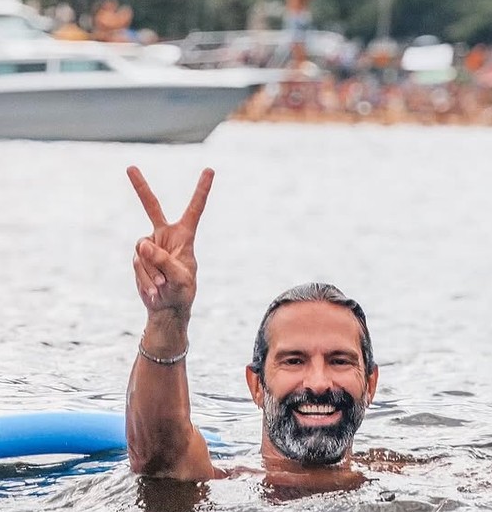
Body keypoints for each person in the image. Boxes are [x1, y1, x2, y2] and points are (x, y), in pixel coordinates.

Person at [125, 166, 379, 487]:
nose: (317, 383)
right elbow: (161, 459)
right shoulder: (227, 483)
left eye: (340, 361)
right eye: (294, 361)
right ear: (256, 385)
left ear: (370, 384)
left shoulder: (416, 476)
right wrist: (168, 317)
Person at [272, 0, 320, 64]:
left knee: (296, 44)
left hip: (296, 17)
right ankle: (300, 64)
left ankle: (300, 65)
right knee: (299, 44)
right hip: (301, 16)